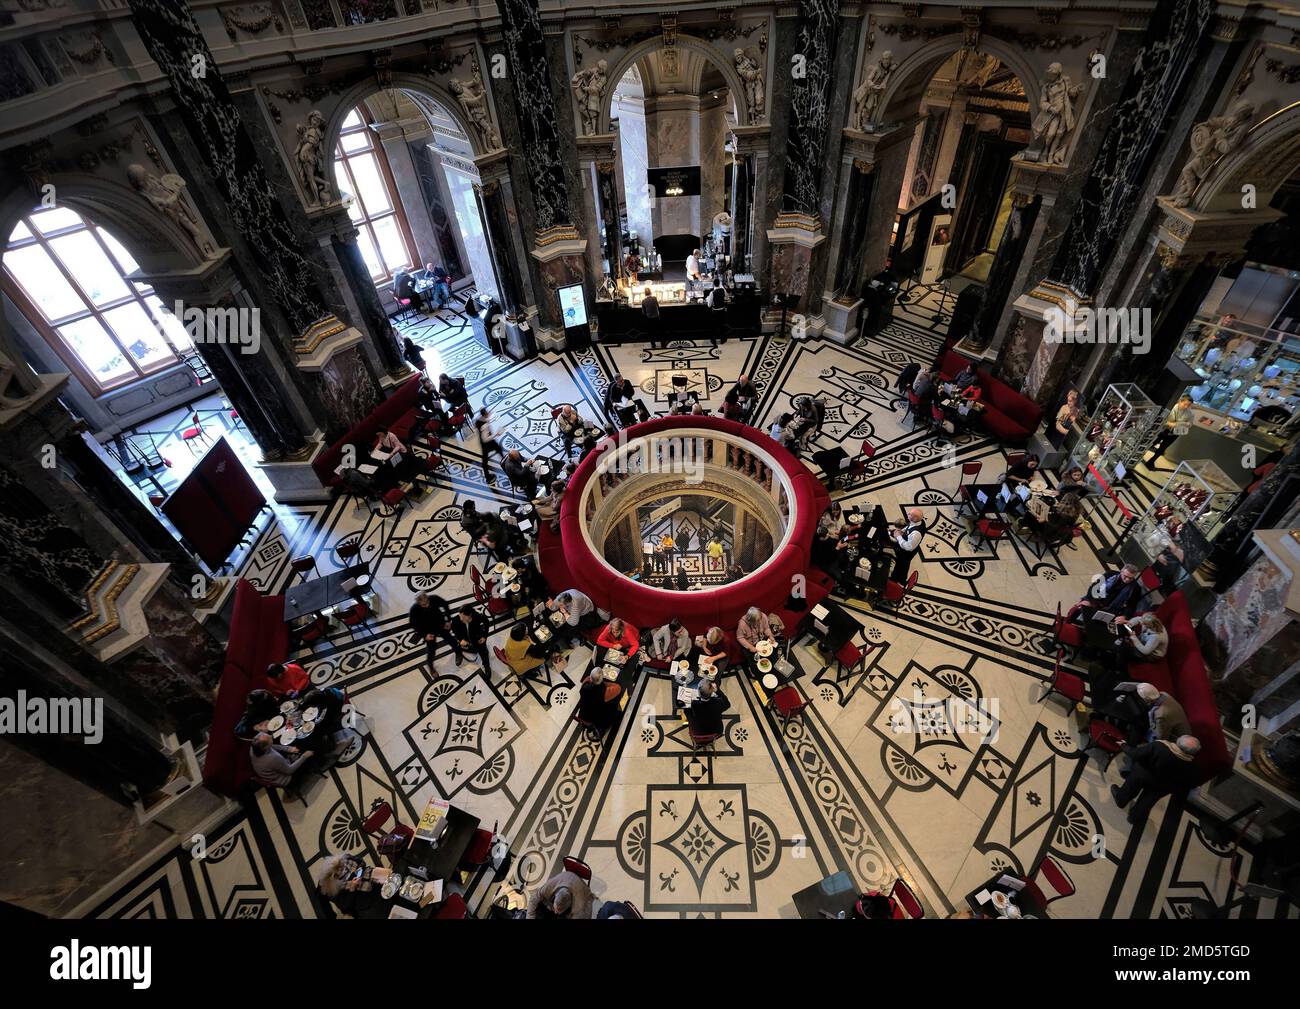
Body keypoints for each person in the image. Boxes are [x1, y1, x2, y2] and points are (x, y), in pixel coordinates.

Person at [1110, 735, 1202, 825]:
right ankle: (1134, 818)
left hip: (1142, 775)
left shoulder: (1159, 746)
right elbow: (1188, 784)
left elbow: (1136, 754)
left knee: (1129, 788)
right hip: (1162, 787)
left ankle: (1120, 800)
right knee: (1147, 802)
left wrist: (1124, 746)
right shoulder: (1193, 767)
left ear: (1178, 741)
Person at [1110, 681, 1191, 743]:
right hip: (1175, 727)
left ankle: (1129, 744)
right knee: (1139, 720)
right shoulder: (1163, 694)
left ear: (1146, 700)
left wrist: (1150, 718)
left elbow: (1161, 737)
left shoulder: (1160, 715)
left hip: (1176, 739)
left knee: (1138, 724)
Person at [316, 854, 385, 918]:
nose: (343, 871)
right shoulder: (329, 888)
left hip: (372, 882)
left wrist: (357, 871)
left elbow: (361, 862)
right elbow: (345, 905)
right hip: (360, 904)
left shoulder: (345, 860)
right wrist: (352, 888)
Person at [1068, 563, 1142, 622]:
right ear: (1121, 572)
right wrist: (1091, 601)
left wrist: (1125, 616)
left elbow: (1132, 605)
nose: (1127, 580)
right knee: (1079, 611)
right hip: (1096, 600)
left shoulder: (1136, 588)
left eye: (1131, 578)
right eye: (1125, 576)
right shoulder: (1109, 574)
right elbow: (1094, 588)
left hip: (1112, 609)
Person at [410, 590, 460, 668]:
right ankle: (431, 666)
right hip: (428, 630)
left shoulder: (434, 598)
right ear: (418, 603)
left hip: (440, 624)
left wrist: (448, 620)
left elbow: (445, 605)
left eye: (427, 602)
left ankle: (458, 653)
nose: (426, 605)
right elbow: (414, 625)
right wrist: (425, 635)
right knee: (431, 650)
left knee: (451, 640)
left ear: (427, 598)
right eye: (423, 605)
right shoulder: (414, 609)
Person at [528, 866, 594, 919]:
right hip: (567, 878)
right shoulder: (550, 886)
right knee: (538, 908)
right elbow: (533, 899)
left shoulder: (579, 905)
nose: (555, 912)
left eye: (559, 911)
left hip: (584, 895)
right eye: (556, 909)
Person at [1145, 394, 1193, 466]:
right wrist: (1172, 423)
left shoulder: (1190, 413)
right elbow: (1164, 420)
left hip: (1175, 433)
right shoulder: (1172, 407)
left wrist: (1177, 424)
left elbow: (1189, 424)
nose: (1186, 407)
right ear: (1180, 401)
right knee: (1151, 443)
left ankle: (1151, 461)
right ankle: (1139, 455)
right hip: (1164, 429)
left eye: (1189, 405)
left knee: (1162, 448)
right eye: (1185, 404)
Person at [885, 507, 926, 583]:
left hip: (907, 552)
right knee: (903, 566)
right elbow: (909, 527)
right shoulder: (920, 521)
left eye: (910, 514)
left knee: (901, 566)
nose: (908, 514)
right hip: (908, 542)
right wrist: (901, 531)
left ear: (915, 518)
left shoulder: (916, 533)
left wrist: (898, 536)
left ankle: (895, 581)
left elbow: (908, 547)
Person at [577, 667, 624, 732]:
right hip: (598, 721)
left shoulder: (585, 685)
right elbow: (618, 687)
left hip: (584, 716)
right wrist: (603, 683)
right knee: (616, 709)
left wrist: (595, 679)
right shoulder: (604, 692)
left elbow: (588, 678)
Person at [453, 604, 491, 672]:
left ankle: (487, 667)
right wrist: (460, 639)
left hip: (477, 638)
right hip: (466, 640)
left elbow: (487, 623)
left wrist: (484, 636)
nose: (461, 619)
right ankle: (460, 652)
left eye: (463, 617)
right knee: (459, 646)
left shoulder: (478, 616)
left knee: (483, 653)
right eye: (460, 616)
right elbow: (454, 629)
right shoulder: (456, 619)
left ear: (470, 615)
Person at [474, 407, 505, 480]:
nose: (489, 413)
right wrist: (496, 434)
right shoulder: (484, 426)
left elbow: (484, 420)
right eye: (487, 413)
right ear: (485, 414)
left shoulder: (478, 419)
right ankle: (488, 476)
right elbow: (485, 439)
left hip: (485, 442)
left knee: (498, 450)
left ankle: (504, 464)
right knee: (488, 457)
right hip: (487, 442)